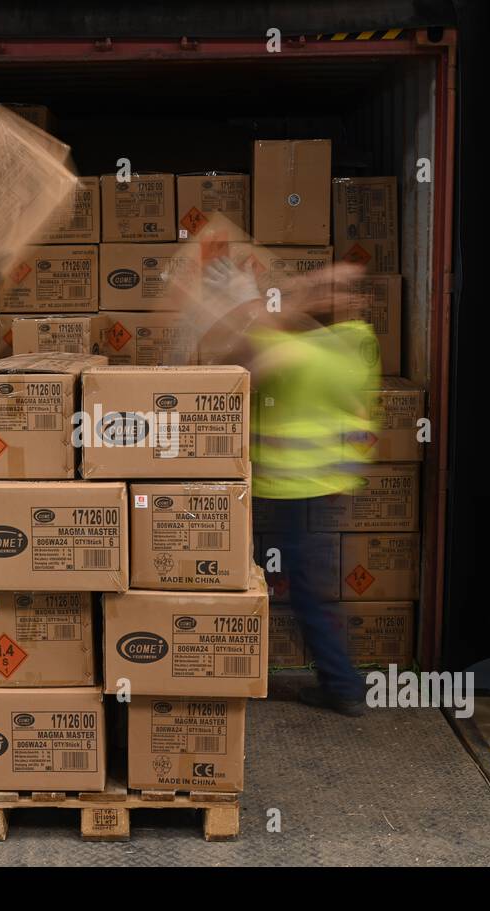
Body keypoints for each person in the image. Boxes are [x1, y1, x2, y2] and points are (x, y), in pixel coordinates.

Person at [197, 257, 380, 717]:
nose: (327, 290)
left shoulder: (348, 343)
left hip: (304, 488)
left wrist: (249, 303)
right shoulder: (322, 338)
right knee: (287, 584)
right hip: (292, 485)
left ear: (357, 301)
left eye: (340, 286)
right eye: (326, 282)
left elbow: (253, 362)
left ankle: (342, 687)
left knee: (303, 590)